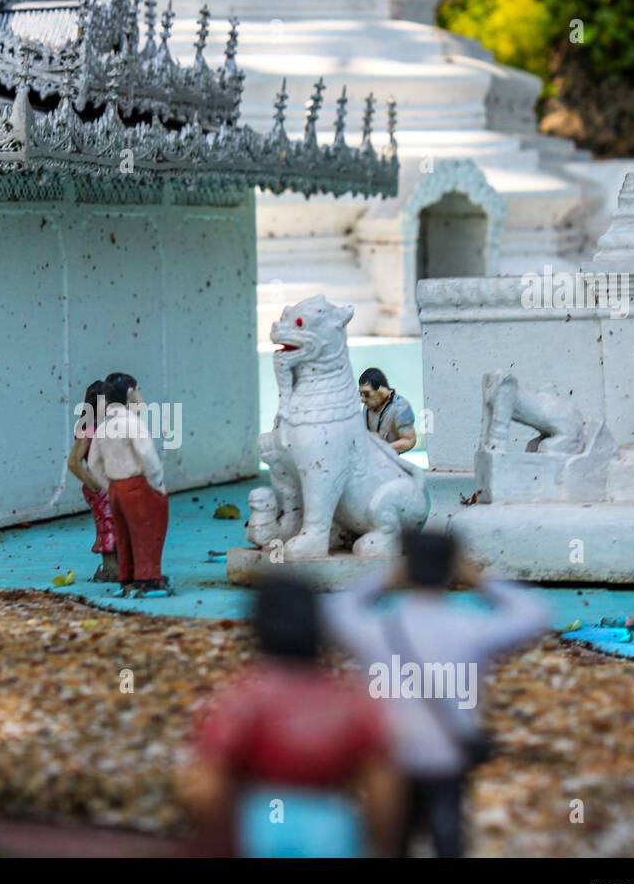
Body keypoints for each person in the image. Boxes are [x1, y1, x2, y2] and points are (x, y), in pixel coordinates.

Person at [323, 530, 549, 857]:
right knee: (448, 840)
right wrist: (478, 578)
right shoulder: (469, 628)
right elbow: (534, 613)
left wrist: (386, 579)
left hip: (392, 756)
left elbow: (334, 609)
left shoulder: (375, 629)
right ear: (450, 571)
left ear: (406, 570)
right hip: (447, 755)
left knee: (392, 843)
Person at [178, 578, 401, 857]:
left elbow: (205, 789)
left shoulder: (245, 700)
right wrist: (382, 840)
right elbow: (382, 789)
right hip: (330, 824)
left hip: (260, 822)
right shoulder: (348, 703)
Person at [86, 372, 172, 598]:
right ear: (131, 394)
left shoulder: (104, 427)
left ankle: (127, 578)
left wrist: (109, 485)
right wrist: (158, 484)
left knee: (123, 534)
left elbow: (94, 463)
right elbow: (147, 457)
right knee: (148, 530)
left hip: (115, 488)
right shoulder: (132, 424)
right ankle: (149, 579)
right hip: (137, 486)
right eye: (138, 390)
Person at [66, 380, 119, 582]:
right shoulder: (89, 429)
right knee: (108, 526)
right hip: (102, 489)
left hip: (113, 485)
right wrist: (95, 485)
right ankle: (110, 568)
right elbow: (73, 462)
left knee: (119, 525)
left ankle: (120, 566)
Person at [358, 367, 417, 454]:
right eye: (361, 394)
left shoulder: (401, 407)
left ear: (381, 390)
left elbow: (409, 441)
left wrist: (383, 448)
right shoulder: (368, 406)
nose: (362, 399)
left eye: (367, 394)